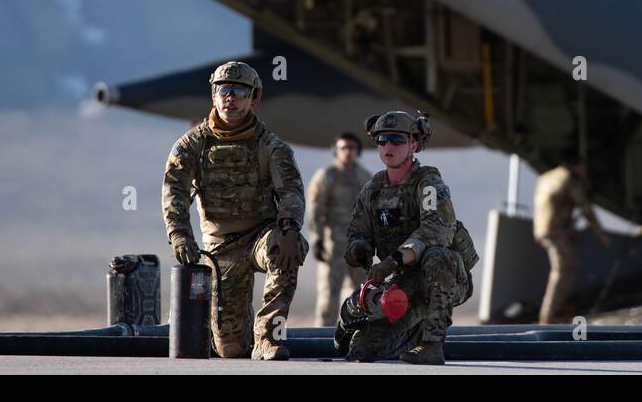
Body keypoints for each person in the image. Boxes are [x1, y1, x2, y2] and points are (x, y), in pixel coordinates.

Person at [161, 61, 307, 359]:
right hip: (221, 249)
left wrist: (290, 226)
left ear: (253, 99)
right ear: (213, 96)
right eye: (223, 90)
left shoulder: (272, 146)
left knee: (288, 247)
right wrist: (179, 235)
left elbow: (291, 191)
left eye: (239, 91)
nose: (230, 97)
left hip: (261, 238)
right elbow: (174, 190)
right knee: (230, 349)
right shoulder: (192, 144)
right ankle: (244, 324)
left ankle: (267, 336)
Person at [339, 110, 473, 365]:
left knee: (437, 256)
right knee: (364, 349)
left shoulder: (429, 184)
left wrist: (392, 261)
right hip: (404, 281)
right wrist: (360, 249)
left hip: (446, 278)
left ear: (413, 145)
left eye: (397, 140)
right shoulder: (373, 189)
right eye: (382, 140)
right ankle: (413, 332)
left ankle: (433, 344)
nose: (388, 146)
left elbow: (436, 230)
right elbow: (358, 232)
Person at [533, 157, 610, 324]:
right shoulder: (569, 179)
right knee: (564, 268)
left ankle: (559, 306)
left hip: (543, 229)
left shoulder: (547, 177)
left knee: (568, 265)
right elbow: (585, 207)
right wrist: (600, 233)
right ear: (578, 166)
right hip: (556, 231)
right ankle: (549, 314)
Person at [307, 132, 371, 326]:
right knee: (329, 293)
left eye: (351, 148)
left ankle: (354, 332)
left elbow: (371, 210)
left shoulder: (365, 177)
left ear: (357, 151)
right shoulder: (327, 176)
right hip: (333, 244)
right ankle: (323, 335)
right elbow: (316, 209)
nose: (348, 152)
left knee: (360, 293)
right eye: (343, 148)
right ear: (336, 151)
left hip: (359, 245)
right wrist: (316, 238)